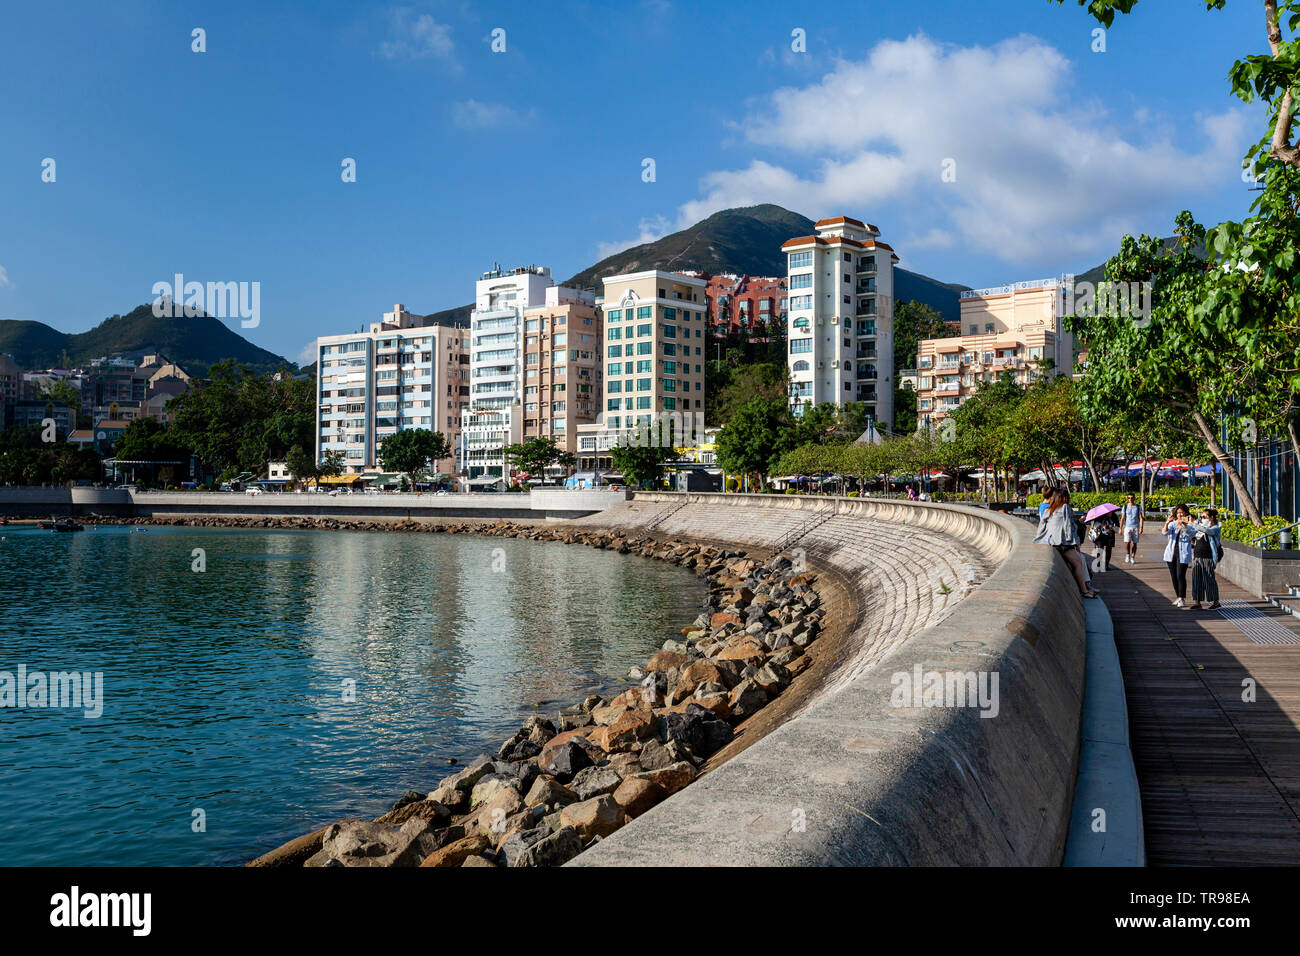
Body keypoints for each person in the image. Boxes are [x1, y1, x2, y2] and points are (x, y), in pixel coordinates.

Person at [1034, 488, 1097, 599]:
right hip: (1062, 543)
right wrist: (1074, 543)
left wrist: (1038, 540)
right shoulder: (1065, 507)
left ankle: (1085, 589)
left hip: (1051, 542)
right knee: (1078, 563)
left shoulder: (1048, 509)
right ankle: (1084, 591)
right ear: (1064, 498)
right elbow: (1069, 526)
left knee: (1078, 561)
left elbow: (1042, 526)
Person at [1162, 504, 1196, 608]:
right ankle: (1178, 596)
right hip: (1171, 552)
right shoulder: (1173, 523)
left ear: (1186, 512)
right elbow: (1164, 533)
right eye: (1178, 513)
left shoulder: (1191, 523)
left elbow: (1191, 534)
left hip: (1183, 553)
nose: (1180, 514)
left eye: (1182, 512)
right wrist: (1167, 522)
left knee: (1180, 575)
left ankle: (1182, 598)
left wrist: (1184, 526)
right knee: (1174, 576)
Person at [1189, 508, 1222, 610]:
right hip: (1197, 557)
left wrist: (1194, 523)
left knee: (1209, 580)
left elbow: (1207, 531)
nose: (1202, 519)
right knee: (1196, 579)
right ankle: (1197, 602)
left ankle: (1216, 602)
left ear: (1211, 518)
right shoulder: (1199, 528)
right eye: (1201, 517)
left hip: (1208, 558)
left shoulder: (1216, 528)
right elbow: (1190, 533)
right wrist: (1184, 525)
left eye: (1204, 517)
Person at [1121, 493, 1143, 564]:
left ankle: (1133, 557)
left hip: (1136, 527)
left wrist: (1141, 527)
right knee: (1127, 542)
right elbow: (1122, 518)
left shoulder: (1138, 507)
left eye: (1132, 498)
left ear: (1134, 498)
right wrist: (1120, 528)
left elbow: (1141, 518)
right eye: (1129, 498)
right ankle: (1127, 554)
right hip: (1127, 527)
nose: (1130, 499)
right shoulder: (1125, 507)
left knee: (1135, 543)